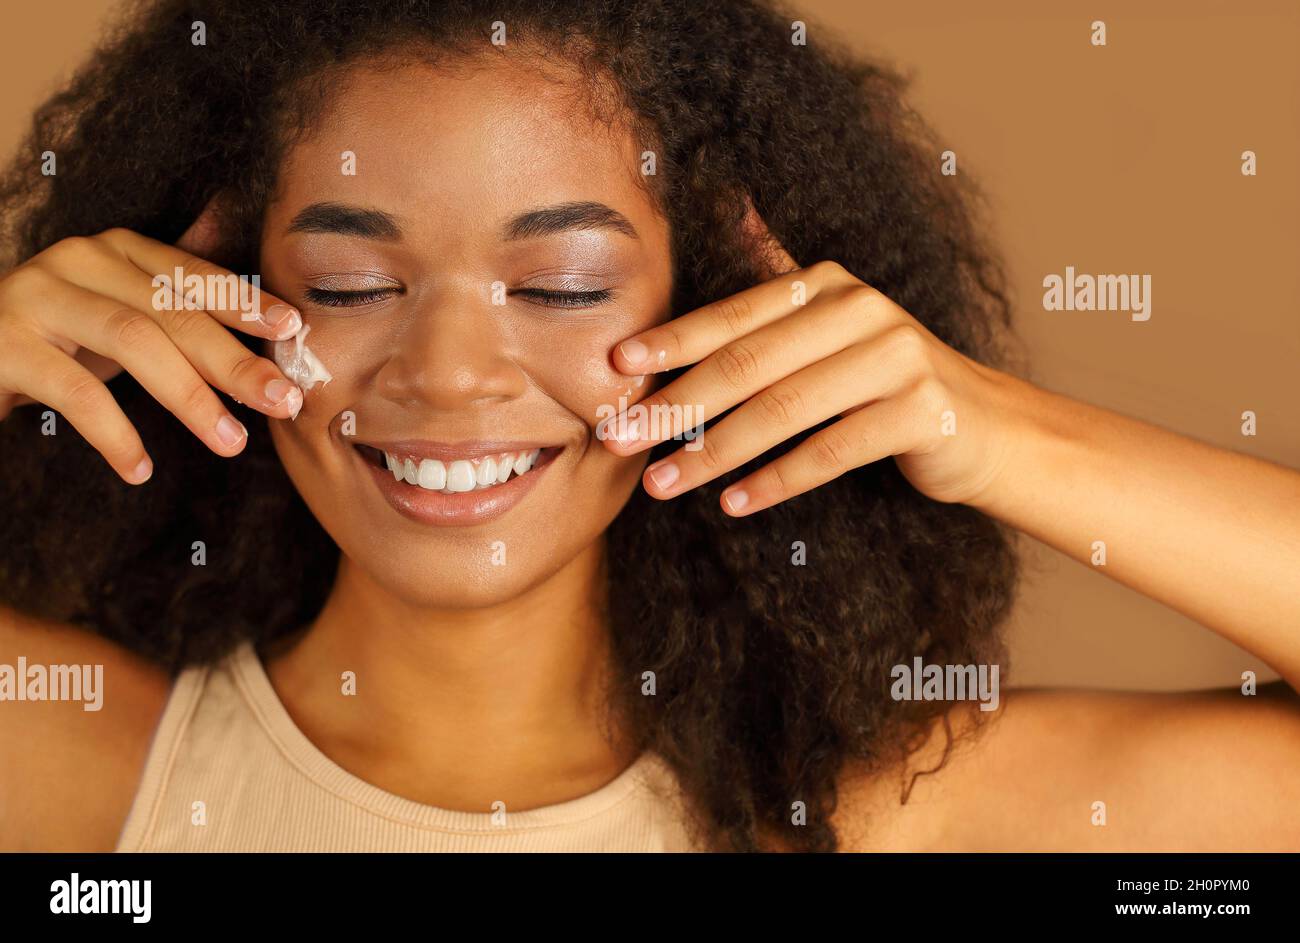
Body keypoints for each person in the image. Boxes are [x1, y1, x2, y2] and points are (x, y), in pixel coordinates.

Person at [0, 0, 1297, 853]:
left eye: (559, 285)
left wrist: (988, 426)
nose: (449, 376)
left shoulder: (896, 821)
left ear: (721, 303)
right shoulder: (85, 770)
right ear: (223, 285)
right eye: (351, 286)